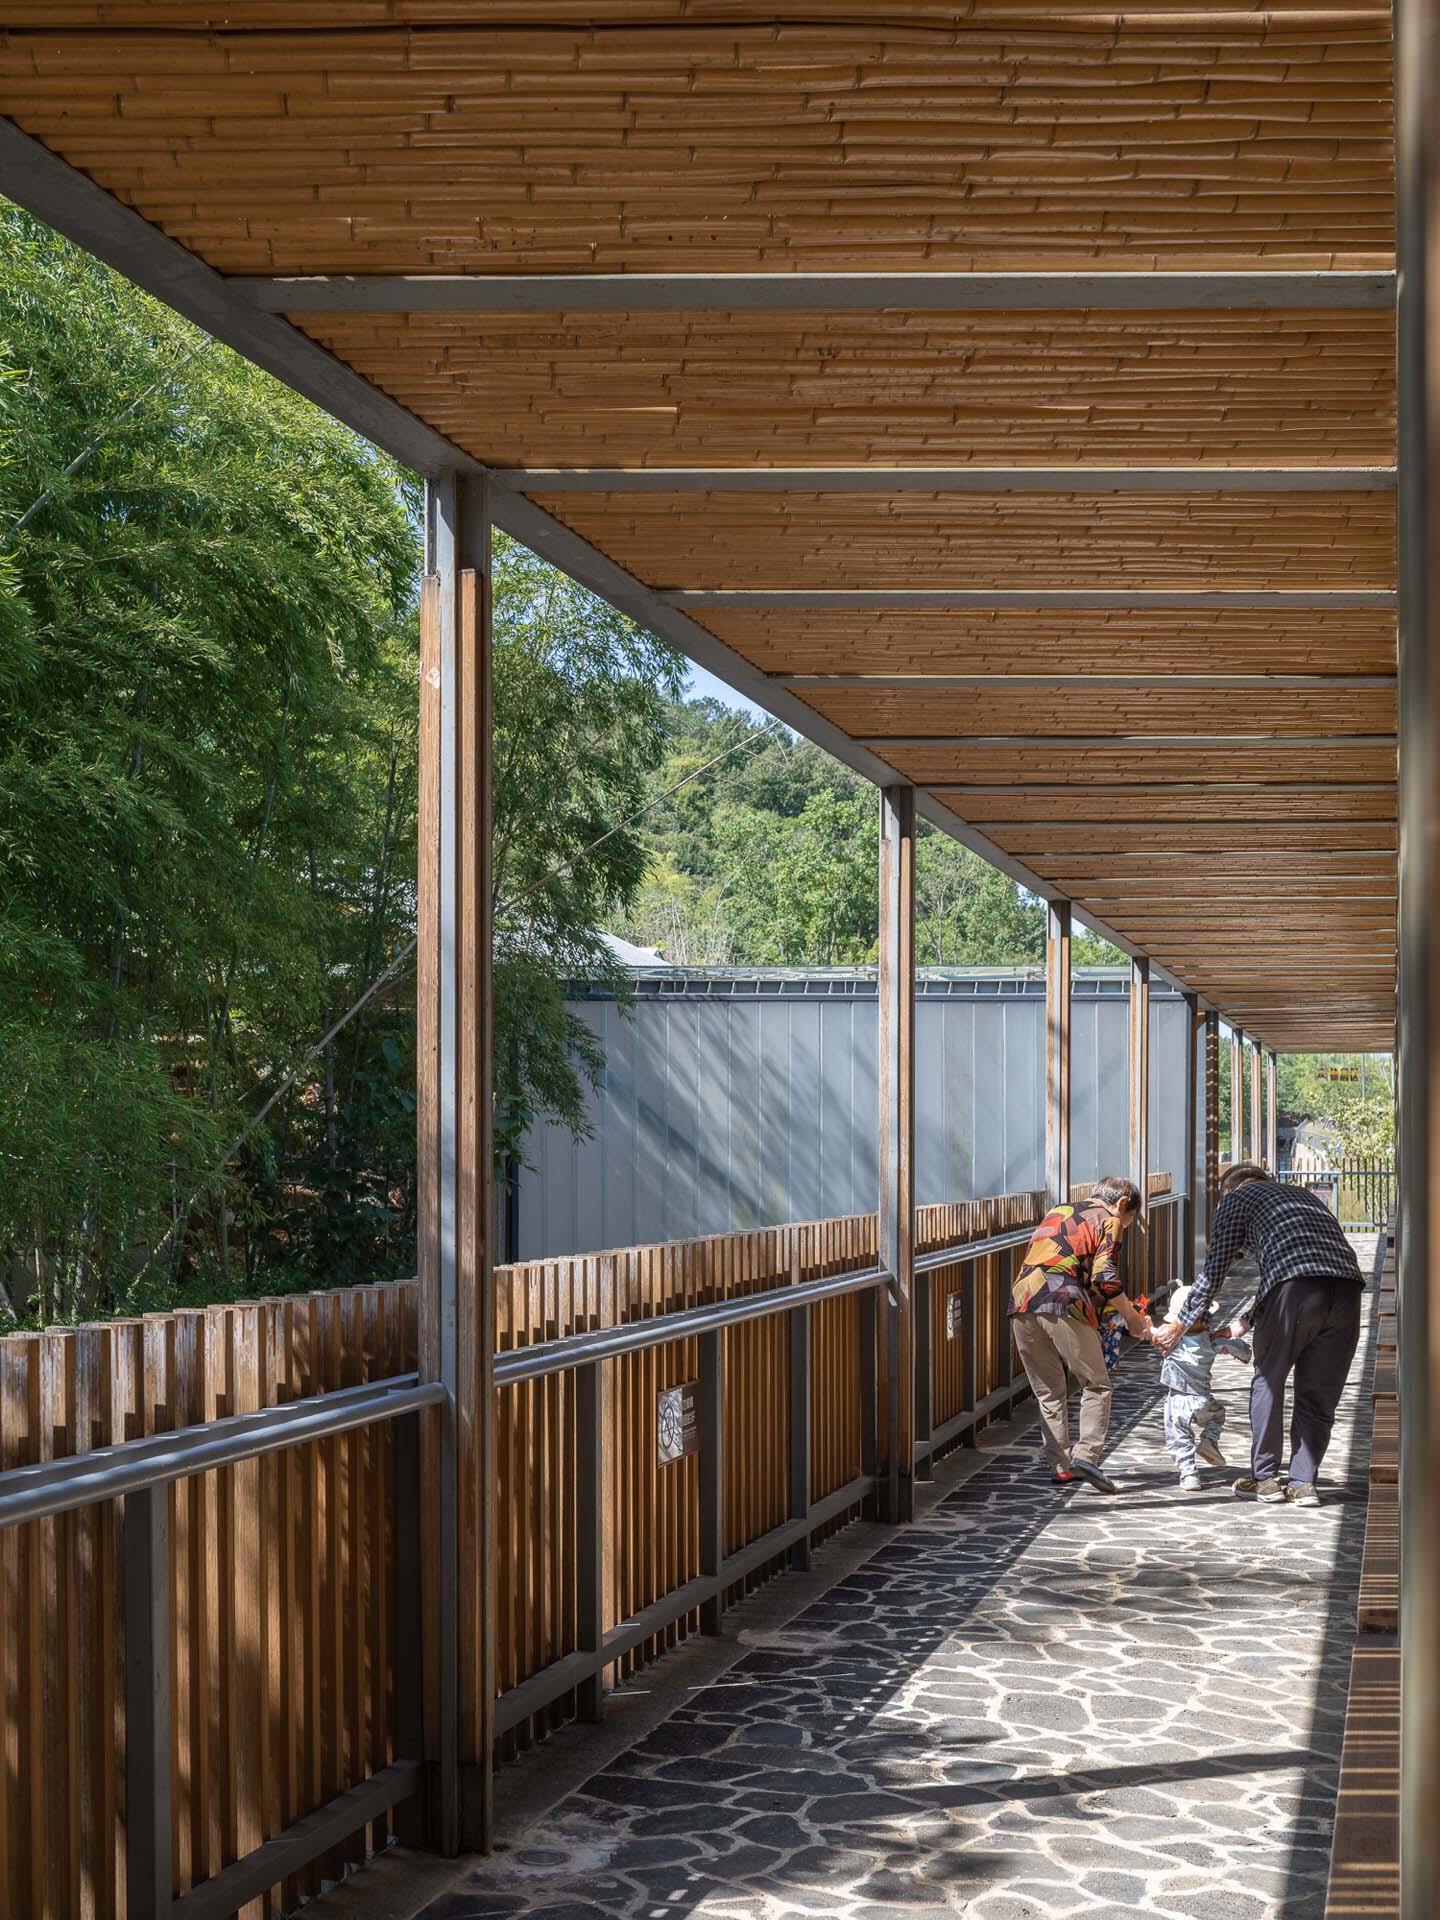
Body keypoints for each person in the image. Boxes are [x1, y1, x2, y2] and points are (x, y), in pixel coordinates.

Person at [1151, 1163, 1364, 1507]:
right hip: (1347, 1291)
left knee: (1269, 1380)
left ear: (1229, 1190)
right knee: (1319, 1393)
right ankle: (1303, 1482)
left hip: (1294, 1291)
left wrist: (1180, 1323)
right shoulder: (1303, 1197)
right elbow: (1283, 1267)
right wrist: (1247, 1320)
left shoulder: (1238, 1199)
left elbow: (1216, 1268)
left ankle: (1265, 1479)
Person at [1009, 1175, 1150, 1495]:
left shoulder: (1058, 1211)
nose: (1124, 1228)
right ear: (1123, 1204)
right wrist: (1131, 1317)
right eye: (1129, 1222)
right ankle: (1086, 1456)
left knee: (1048, 1391)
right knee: (1096, 1384)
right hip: (1064, 1302)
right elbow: (1105, 1277)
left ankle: (1061, 1468)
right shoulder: (1109, 1219)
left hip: (1022, 1301)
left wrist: (1108, 1313)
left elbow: (1068, 1263)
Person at [1156, 1280, 1251, 1492]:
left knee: (1179, 1437)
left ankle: (1189, 1474)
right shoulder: (1211, 1341)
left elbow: (1149, 1332)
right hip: (1201, 1399)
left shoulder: (1170, 1339)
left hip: (1177, 1399)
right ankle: (1208, 1440)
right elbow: (1239, 1348)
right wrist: (1244, 1354)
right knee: (1217, 1416)